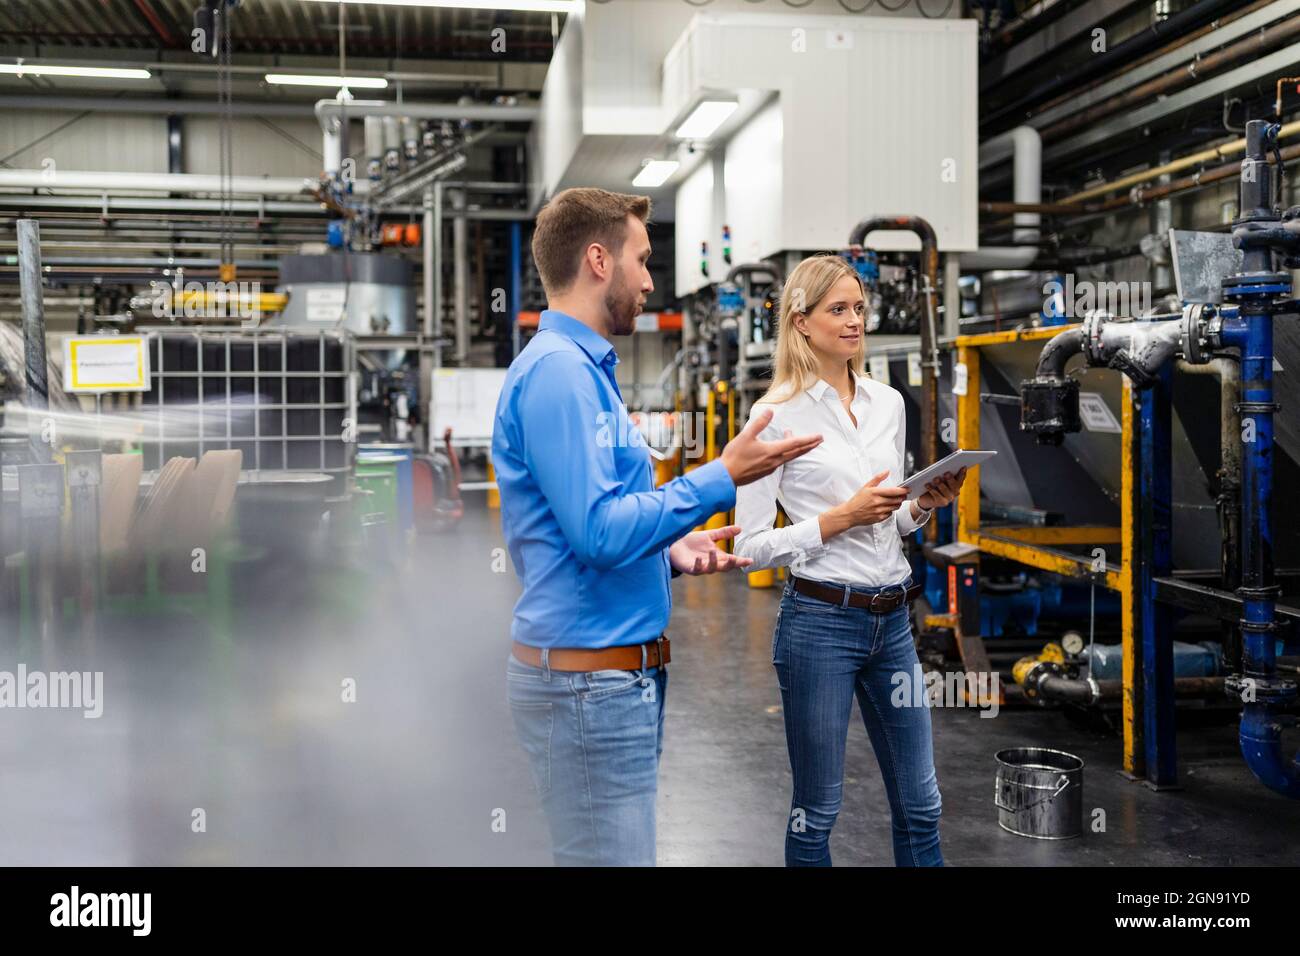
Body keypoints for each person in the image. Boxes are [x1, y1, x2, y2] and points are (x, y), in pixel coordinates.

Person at [492, 187, 822, 866]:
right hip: (590, 689)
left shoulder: (582, 371)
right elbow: (600, 533)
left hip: (604, 684)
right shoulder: (561, 376)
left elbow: (589, 530)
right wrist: (721, 475)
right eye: (642, 260)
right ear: (597, 260)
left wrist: (666, 553)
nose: (651, 281)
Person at [734, 254, 966, 867]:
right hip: (820, 624)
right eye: (839, 309)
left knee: (922, 803)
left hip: (892, 624)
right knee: (818, 812)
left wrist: (921, 507)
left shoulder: (887, 403)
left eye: (859, 307)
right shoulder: (771, 418)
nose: (855, 320)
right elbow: (748, 544)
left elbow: (888, 519)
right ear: (801, 322)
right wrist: (838, 519)